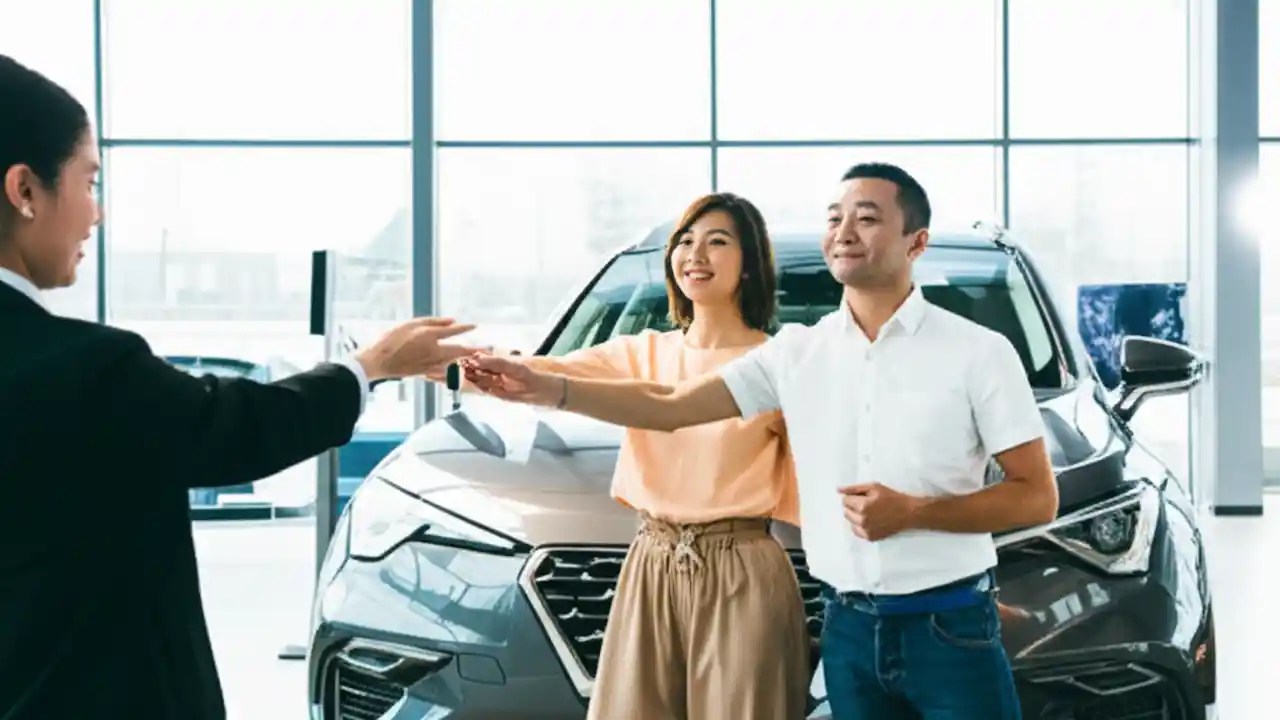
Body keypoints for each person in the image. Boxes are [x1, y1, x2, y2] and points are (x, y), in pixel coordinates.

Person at [463, 163, 1059, 719]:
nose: (844, 231)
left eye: (868, 218)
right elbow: (671, 407)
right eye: (835, 217)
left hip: (950, 624)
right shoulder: (796, 354)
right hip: (847, 625)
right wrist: (546, 386)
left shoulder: (978, 352)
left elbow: (1037, 498)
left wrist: (916, 514)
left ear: (916, 243)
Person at [0, 55, 482, 720]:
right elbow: (239, 424)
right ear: (24, 191)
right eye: (90, 181)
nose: (97, 213)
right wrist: (370, 366)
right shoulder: (85, 369)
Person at [465, 193, 810, 719]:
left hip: (743, 566)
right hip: (649, 562)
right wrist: (481, 366)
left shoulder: (775, 362)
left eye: (718, 241)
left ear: (749, 266)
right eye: (686, 241)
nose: (696, 254)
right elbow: (549, 371)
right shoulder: (640, 352)